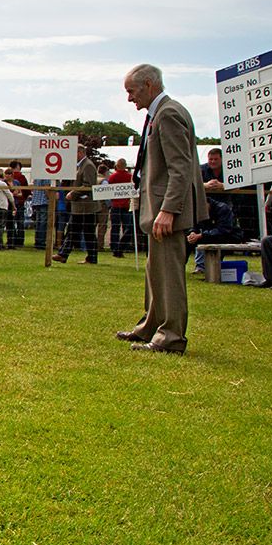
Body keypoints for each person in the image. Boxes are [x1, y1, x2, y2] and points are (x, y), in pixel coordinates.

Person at [115, 64, 207, 354]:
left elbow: (180, 168)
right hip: (157, 208)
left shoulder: (168, 114)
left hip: (167, 211)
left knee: (168, 274)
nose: (130, 98)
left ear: (149, 85)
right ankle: (151, 327)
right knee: (156, 271)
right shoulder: (160, 114)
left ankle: (170, 338)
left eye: (132, 91)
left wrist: (168, 210)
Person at [52, 143, 99, 264]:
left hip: (85, 206)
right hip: (80, 206)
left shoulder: (87, 166)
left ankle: (64, 254)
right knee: (79, 231)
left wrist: (73, 193)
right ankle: (88, 257)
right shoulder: (80, 165)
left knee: (76, 230)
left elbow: (88, 185)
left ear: (80, 153)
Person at [186, 197, 242, 272]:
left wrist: (201, 235)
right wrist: (192, 232)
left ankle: (203, 267)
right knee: (186, 240)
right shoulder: (198, 211)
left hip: (229, 236)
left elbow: (224, 230)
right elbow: (194, 225)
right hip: (208, 234)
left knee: (207, 238)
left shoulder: (223, 208)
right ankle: (179, 266)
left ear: (207, 203)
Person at [108, 158, 134, 257]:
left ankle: (114, 245)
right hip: (126, 205)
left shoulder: (113, 177)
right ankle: (124, 246)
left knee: (115, 227)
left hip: (115, 205)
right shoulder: (129, 177)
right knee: (126, 227)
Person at [7, 160, 28, 247]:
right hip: (20, 202)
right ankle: (20, 240)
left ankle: (11, 239)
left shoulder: (7, 180)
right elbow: (26, 191)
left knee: (11, 222)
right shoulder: (22, 178)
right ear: (18, 167)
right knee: (20, 222)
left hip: (11, 203)